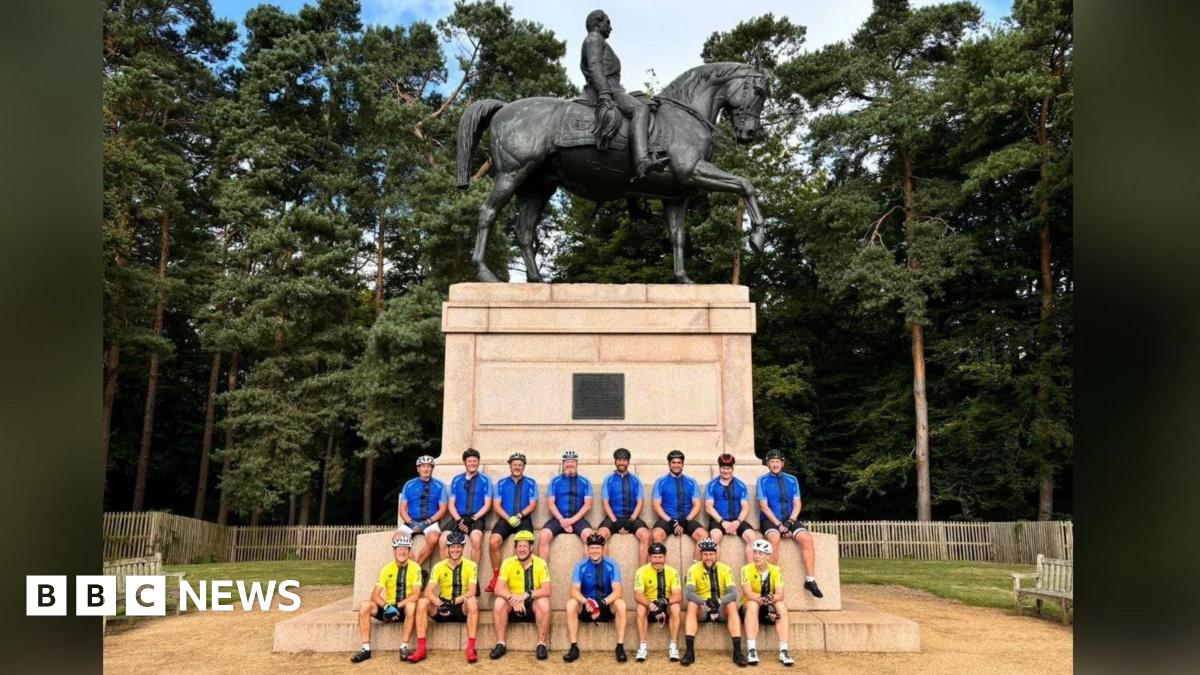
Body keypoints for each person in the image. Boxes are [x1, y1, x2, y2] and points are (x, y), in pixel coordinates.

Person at [580, 9, 669, 179]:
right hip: (609, 90)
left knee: (644, 101)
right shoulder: (594, 38)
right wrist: (605, 93)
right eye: (607, 22)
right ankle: (642, 161)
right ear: (597, 23)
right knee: (640, 109)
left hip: (614, 89)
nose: (611, 27)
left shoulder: (598, 40)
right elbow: (594, 66)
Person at [755, 449, 823, 597]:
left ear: (782, 463)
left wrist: (790, 522)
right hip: (770, 520)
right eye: (772, 462)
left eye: (777, 461)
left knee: (806, 538)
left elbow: (797, 504)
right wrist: (779, 525)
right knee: (774, 538)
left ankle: (810, 579)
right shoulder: (762, 480)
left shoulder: (792, 479)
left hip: (789, 518)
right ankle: (770, 581)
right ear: (768, 464)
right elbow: (763, 506)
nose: (775, 464)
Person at [407, 531, 480, 663]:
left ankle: (470, 649)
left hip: (461, 607)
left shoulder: (471, 565)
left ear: (463, 547)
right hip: (443, 607)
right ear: (448, 548)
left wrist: (453, 602)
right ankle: (421, 649)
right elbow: (428, 591)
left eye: (458, 546)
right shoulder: (438, 566)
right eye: (452, 547)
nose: (455, 550)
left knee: (472, 601)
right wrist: (440, 603)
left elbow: (472, 591)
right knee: (422, 602)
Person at [351, 532, 422, 663]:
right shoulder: (386, 568)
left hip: (404, 609)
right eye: (399, 549)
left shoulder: (415, 568)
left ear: (409, 551)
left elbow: (416, 594)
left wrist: (397, 607)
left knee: (412, 605)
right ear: (394, 551)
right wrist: (387, 607)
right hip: (388, 609)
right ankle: (365, 649)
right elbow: (374, 595)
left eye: (405, 549)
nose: (402, 552)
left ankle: (404, 646)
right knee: (365, 606)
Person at [681, 538, 746, 667]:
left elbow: (733, 594)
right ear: (701, 555)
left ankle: (738, 652)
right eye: (705, 554)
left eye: (711, 554)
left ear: (716, 554)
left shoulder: (725, 569)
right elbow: (689, 594)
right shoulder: (693, 569)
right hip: (703, 608)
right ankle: (689, 652)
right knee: (691, 604)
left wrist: (718, 601)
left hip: (720, 607)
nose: (708, 557)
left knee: (732, 605)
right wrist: (705, 602)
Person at [563, 533, 628, 663]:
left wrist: (602, 602)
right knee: (571, 604)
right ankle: (574, 647)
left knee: (621, 604)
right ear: (587, 549)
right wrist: (587, 602)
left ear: (603, 549)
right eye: (592, 548)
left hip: (605, 606)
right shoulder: (580, 565)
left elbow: (618, 591)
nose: (595, 551)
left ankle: (620, 647)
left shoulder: (612, 565)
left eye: (598, 548)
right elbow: (573, 591)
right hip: (587, 607)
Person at [490, 530, 552, 660]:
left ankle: (541, 644)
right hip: (513, 605)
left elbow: (547, 590)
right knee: (499, 602)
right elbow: (498, 588)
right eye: (519, 546)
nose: (522, 549)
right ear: (515, 548)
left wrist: (526, 595)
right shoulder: (507, 562)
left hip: (532, 604)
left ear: (531, 547)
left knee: (544, 603)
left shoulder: (541, 563)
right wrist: (513, 599)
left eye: (524, 546)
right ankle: (501, 643)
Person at [485, 452, 538, 593]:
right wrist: (509, 518)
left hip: (524, 519)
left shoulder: (531, 482)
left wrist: (520, 515)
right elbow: (496, 506)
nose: (517, 467)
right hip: (505, 519)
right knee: (493, 541)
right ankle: (497, 577)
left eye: (520, 465)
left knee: (524, 546)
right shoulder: (501, 483)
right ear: (510, 465)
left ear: (524, 467)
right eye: (515, 464)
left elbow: (533, 504)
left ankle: (522, 578)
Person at [739, 539, 795, 666]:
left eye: (761, 553)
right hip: (749, 606)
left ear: (768, 556)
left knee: (781, 606)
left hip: (768, 606)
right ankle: (751, 650)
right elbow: (748, 593)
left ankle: (784, 651)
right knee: (753, 604)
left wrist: (769, 599)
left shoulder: (776, 570)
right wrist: (764, 600)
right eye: (755, 552)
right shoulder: (745, 569)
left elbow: (780, 594)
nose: (756, 556)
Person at [597, 447, 652, 564]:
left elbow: (640, 502)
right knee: (600, 536)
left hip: (631, 517)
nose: (621, 462)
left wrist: (631, 520)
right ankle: (605, 570)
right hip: (613, 517)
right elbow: (605, 503)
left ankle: (642, 572)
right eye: (619, 460)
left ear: (628, 462)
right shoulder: (608, 480)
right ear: (615, 461)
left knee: (646, 535)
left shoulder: (635, 480)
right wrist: (615, 521)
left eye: (624, 460)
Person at [538, 450, 595, 561]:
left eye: (572, 462)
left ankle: (588, 571)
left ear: (577, 464)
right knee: (544, 536)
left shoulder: (585, 482)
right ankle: (543, 571)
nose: (570, 464)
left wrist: (571, 521)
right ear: (563, 464)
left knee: (590, 537)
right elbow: (550, 503)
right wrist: (562, 520)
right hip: (558, 518)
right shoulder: (555, 481)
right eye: (567, 462)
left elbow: (588, 505)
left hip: (578, 519)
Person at [633, 541, 682, 662]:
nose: (657, 560)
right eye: (654, 557)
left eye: (660, 557)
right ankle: (642, 646)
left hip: (665, 605)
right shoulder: (641, 571)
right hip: (650, 606)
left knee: (676, 607)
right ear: (649, 557)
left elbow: (678, 595)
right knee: (640, 608)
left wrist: (665, 601)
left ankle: (673, 646)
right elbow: (638, 595)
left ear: (665, 557)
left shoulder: (673, 572)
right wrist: (650, 604)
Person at [651, 450, 706, 559]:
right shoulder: (660, 482)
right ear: (669, 464)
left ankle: (695, 568)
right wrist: (670, 521)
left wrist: (686, 520)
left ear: (683, 464)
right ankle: (660, 567)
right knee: (656, 535)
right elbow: (656, 505)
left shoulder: (691, 482)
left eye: (679, 462)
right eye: (673, 462)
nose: (676, 465)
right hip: (667, 520)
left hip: (686, 519)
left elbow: (697, 505)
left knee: (703, 536)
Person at [705, 453, 758, 561]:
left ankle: (751, 570)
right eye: (723, 468)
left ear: (732, 469)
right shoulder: (711, 485)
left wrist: (736, 523)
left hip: (737, 520)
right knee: (714, 539)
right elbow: (708, 508)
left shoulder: (741, 485)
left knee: (752, 538)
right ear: (719, 468)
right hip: (718, 520)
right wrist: (723, 522)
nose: (726, 471)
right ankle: (713, 570)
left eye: (728, 468)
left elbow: (745, 508)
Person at [397, 455, 448, 566]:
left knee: (433, 539)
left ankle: (417, 567)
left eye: (429, 466)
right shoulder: (409, 484)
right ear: (418, 469)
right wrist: (411, 522)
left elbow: (443, 509)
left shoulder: (440, 486)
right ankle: (413, 567)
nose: (426, 469)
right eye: (423, 466)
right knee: (397, 539)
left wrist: (427, 522)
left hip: (430, 522)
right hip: (411, 521)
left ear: (432, 468)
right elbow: (402, 509)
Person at [448, 447, 493, 563]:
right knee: (443, 539)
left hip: (476, 517)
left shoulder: (485, 480)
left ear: (478, 462)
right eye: (469, 461)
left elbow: (487, 504)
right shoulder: (456, 479)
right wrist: (459, 520)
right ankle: (447, 571)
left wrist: (473, 518)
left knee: (477, 540)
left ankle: (474, 572)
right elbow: (451, 504)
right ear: (465, 462)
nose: (472, 463)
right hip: (459, 517)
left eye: (475, 461)